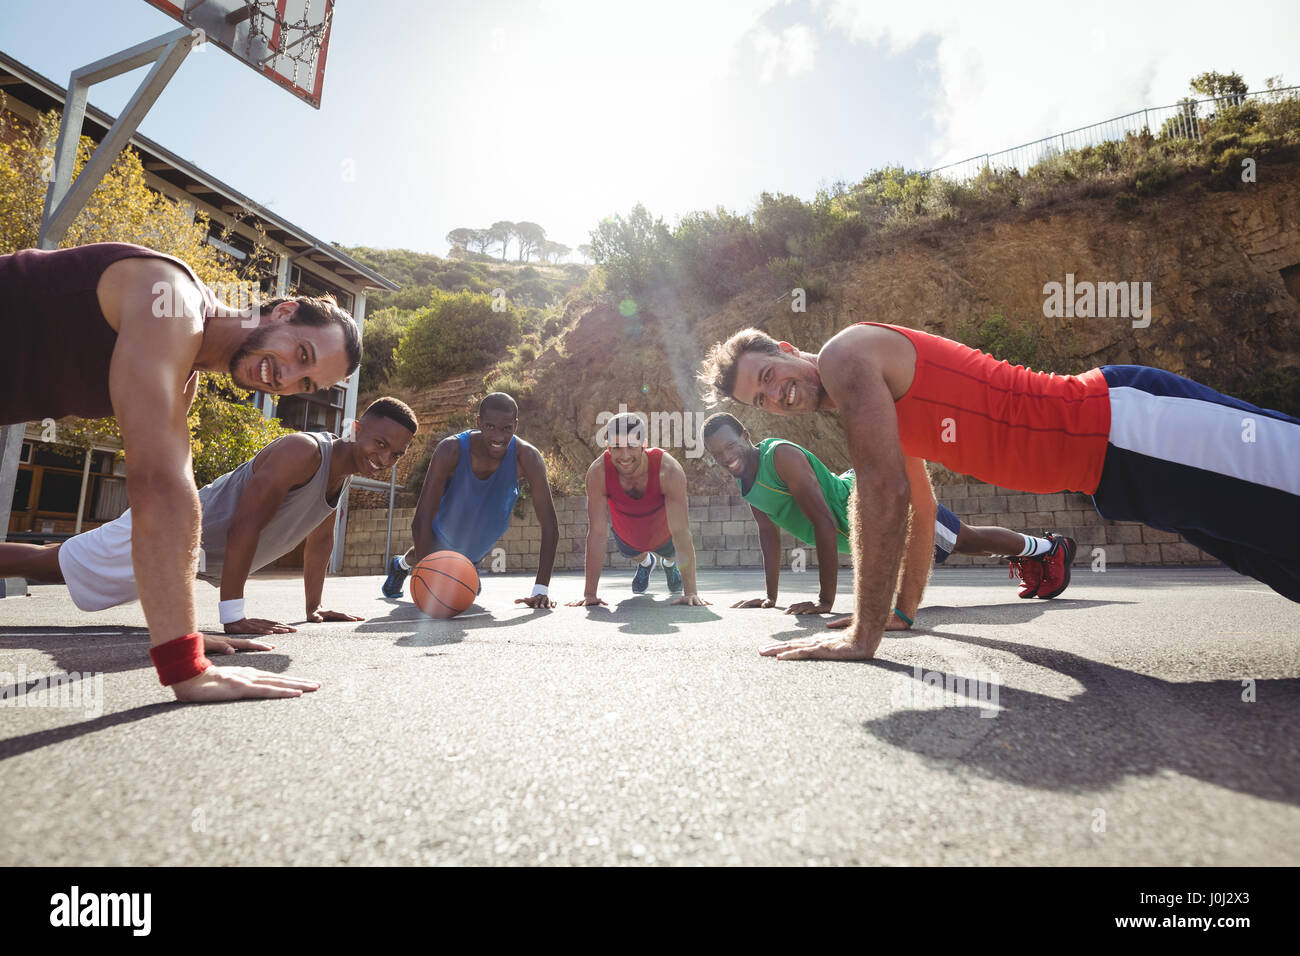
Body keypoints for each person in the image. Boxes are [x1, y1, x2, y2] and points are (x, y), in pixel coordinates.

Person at [698, 322, 1300, 661]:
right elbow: (919, 505)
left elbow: (881, 495)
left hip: (1132, 426)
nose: (777, 393)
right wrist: (901, 613)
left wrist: (865, 634)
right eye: (761, 397)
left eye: (770, 374)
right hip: (1119, 476)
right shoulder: (872, 405)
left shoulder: (845, 355)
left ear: (785, 347)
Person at [0, 241, 362, 700]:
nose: (286, 378)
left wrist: (182, 629)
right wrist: (187, 666)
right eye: (302, 354)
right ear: (284, 311)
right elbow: (159, 488)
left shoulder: (183, 376)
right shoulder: (171, 298)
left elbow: (169, 502)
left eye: (305, 383)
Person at [0, 398, 417, 649]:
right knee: (43, 566)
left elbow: (320, 542)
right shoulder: (303, 451)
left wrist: (314, 607)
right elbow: (245, 526)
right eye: (379, 443)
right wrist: (232, 615)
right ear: (357, 428)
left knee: (54, 571)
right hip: (169, 532)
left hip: (187, 560)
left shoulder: (339, 478)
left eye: (396, 454)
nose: (384, 458)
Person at [701, 412, 1075, 629]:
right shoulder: (745, 482)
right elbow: (768, 536)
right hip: (863, 511)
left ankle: (1047, 547)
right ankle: (1036, 551)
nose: (727, 456)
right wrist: (770, 597)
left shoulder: (779, 456)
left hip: (876, 499)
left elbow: (824, 524)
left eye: (731, 445)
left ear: (746, 436)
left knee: (966, 541)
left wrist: (824, 600)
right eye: (718, 453)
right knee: (959, 545)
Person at [382, 392, 559, 609]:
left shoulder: (528, 457)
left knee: (466, 586)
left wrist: (541, 590)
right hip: (444, 531)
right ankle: (401, 565)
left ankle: (465, 568)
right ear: (478, 423)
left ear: (516, 425)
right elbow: (422, 518)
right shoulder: (451, 449)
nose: (498, 436)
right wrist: (431, 578)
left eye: (506, 428)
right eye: (490, 426)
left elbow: (549, 524)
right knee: (421, 555)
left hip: (479, 543)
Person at [566, 412, 711, 608]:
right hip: (627, 536)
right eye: (617, 447)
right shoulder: (598, 472)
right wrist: (590, 594)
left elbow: (681, 531)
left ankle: (669, 564)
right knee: (634, 552)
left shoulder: (668, 470)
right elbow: (597, 532)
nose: (624, 455)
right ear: (608, 447)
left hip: (665, 535)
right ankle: (646, 563)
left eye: (632, 446)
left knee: (670, 555)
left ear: (643, 445)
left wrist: (691, 592)